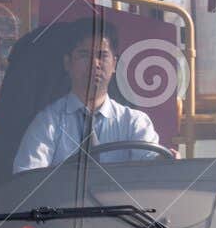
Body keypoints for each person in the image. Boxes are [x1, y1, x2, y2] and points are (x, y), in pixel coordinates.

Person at [12, 18, 159, 172]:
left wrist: (161, 163)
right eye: (84, 55)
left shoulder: (134, 122)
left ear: (114, 64)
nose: (94, 64)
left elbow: (152, 171)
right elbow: (27, 179)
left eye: (102, 56)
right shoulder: (47, 122)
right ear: (68, 63)